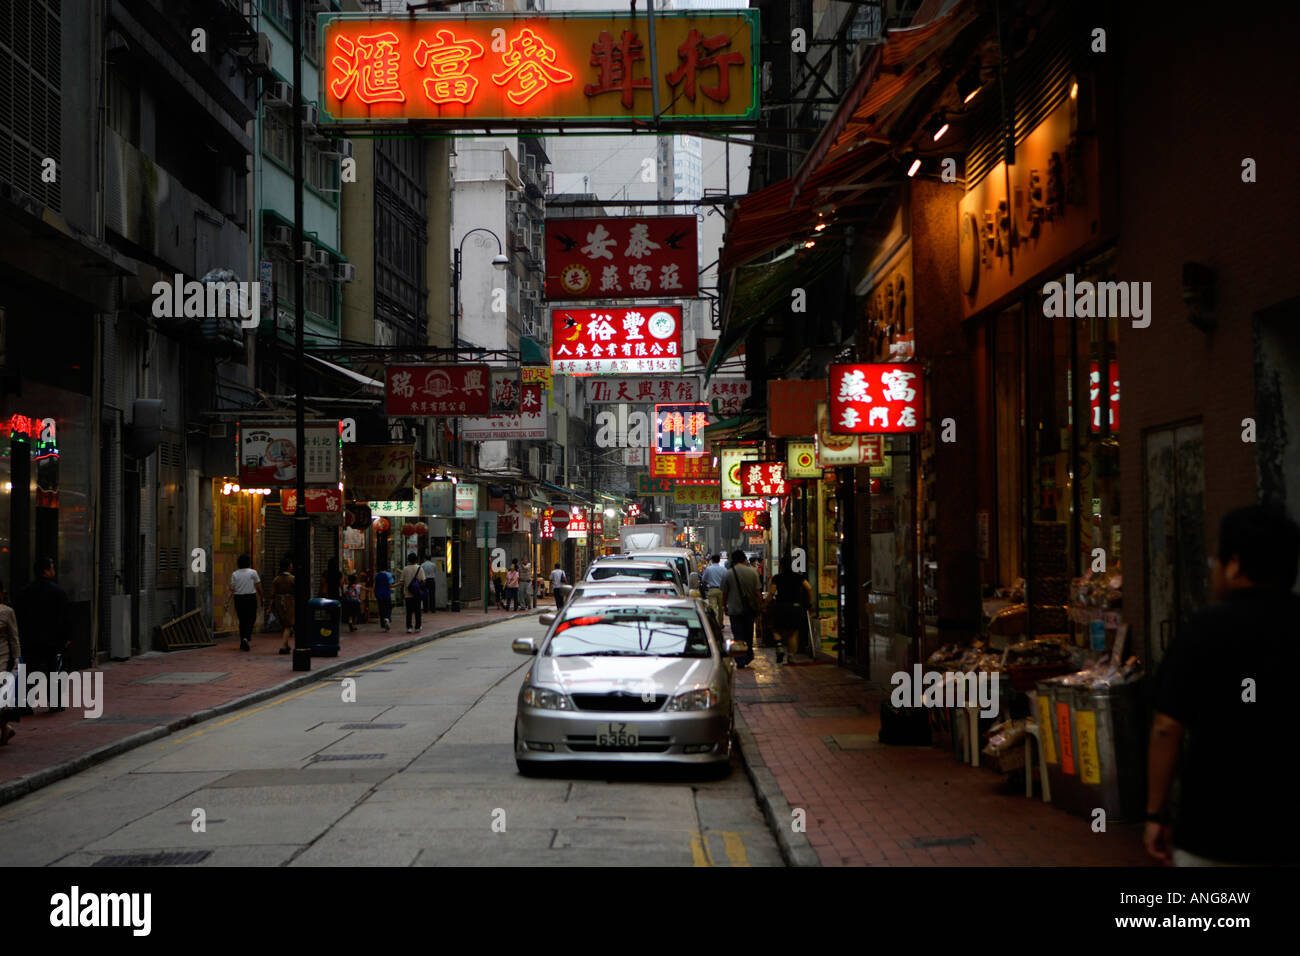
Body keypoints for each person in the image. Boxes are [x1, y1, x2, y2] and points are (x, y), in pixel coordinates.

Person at [1146, 505, 1300, 867]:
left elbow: (1167, 727)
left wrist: (1155, 813)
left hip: (1212, 832)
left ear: (1234, 565)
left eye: (1216, 559)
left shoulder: (1203, 629)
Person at [17, 556, 71, 709]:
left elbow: (20, 616)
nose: (54, 571)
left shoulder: (26, 592)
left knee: (29, 670)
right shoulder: (58, 592)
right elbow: (64, 617)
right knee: (53, 670)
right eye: (52, 568)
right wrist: (66, 637)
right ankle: (55, 702)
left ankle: (24, 704)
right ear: (46, 571)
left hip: (31, 639)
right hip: (52, 640)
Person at [769, 555, 815, 664]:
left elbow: (772, 593)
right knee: (792, 633)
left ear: (781, 566)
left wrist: (765, 604)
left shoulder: (777, 577)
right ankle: (790, 656)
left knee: (776, 629)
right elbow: (809, 588)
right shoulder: (798, 577)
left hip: (781, 606)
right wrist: (809, 602)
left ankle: (779, 646)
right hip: (795, 607)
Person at [721, 550, 761, 668]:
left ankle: (740, 658)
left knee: (738, 635)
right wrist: (760, 606)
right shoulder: (753, 572)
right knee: (748, 633)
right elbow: (758, 592)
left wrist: (724, 606)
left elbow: (724, 593)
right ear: (744, 559)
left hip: (734, 609)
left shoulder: (728, 574)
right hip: (750, 609)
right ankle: (748, 655)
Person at [224, 553, 263, 652]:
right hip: (250, 598)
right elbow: (259, 586)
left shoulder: (235, 574)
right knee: (251, 618)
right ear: (248, 562)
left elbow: (231, 589)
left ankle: (243, 639)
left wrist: (227, 602)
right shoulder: (253, 572)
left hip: (238, 598)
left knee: (242, 619)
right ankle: (246, 637)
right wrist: (262, 597)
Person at [1, 582, 22, 745]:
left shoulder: (7, 612)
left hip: (3, 658)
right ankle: (5, 729)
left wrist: (16, 659)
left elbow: (14, 637)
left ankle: (4, 729)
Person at [270, 556, 296, 655]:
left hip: (279, 602)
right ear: (289, 566)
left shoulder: (276, 579)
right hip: (290, 602)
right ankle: (283, 646)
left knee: (284, 624)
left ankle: (286, 644)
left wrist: (270, 607)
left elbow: (272, 594)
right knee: (288, 625)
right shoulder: (292, 578)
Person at [399, 552, 426, 634]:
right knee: (418, 611)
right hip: (417, 593)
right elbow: (423, 581)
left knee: (409, 611)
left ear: (408, 560)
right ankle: (417, 627)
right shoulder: (420, 568)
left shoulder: (405, 569)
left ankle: (409, 627)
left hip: (408, 593)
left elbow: (402, 582)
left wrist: (402, 592)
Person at [373, 565, 394, 631]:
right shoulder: (389, 575)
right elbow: (391, 585)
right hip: (386, 594)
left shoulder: (377, 575)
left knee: (381, 608)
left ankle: (383, 624)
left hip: (379, 594)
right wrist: (399, 584)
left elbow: (374, 585)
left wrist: (374, 593)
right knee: (388, 607)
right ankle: (387, 618)